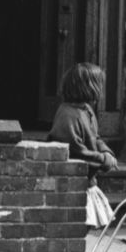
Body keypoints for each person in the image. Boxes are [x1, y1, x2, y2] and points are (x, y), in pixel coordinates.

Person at [47, 63, 118, 227]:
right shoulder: (68, 115)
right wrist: (102, 159)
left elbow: (95, 137)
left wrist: (107, 152)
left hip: (86, 181)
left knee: (83, 226)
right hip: (71, 183)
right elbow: (73, 150)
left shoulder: (86, 110)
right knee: (75, 226)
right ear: (87, 86)